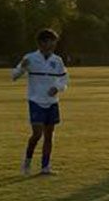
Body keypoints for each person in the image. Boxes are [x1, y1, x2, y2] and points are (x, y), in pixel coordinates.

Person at [11, 29, 69, 176]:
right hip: (36, 101)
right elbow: (14, 76)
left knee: (49, 135)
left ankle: (45, 166)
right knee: (37, 134)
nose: (52, 44)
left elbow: (64, 80)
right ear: (41, 43)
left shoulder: (57, 60)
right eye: (50, 41)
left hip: (52, 102)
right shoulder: (30, 58)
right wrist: (22, 68)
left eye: (54, 42)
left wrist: (57, 88)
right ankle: (27, 161)